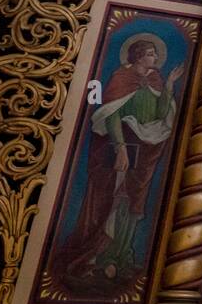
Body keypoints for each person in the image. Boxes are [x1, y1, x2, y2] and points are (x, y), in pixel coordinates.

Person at [57, 36, 183, 287]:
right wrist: (121, 149)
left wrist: (168, 84)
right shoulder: (121, 78)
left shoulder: (156, 79)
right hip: (120, 146)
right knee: (114, 198)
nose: (155, 58)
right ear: (136, 56)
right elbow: (112, 116)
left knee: (133, 204)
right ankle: (95, 257)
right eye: (150, 54)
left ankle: (119, 257)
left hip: (145, 151)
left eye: (155, 54)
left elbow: (160, 115)